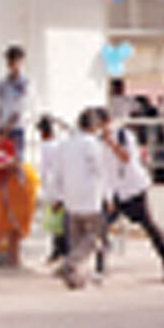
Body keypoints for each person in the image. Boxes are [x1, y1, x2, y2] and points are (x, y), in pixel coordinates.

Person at [95, 108, 164, 283]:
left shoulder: (124, 136)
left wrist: (112, 144)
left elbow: (127, 158)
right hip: (115, 192)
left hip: (134, 188)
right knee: (101, 228)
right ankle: (99, 269)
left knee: (148, 225)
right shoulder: (98, 142)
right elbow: (104, 170)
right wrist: (106, 195)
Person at [49, 109, 109, 290]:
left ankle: (76, 279)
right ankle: (70, 263)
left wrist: (57, 197)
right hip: (90, 198)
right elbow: (101, 172)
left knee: (76, 240)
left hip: (70, 199)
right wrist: (107, 196)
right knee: (95, 238)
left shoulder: (64, 145)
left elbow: (57, 173)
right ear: (93, 126)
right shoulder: (92, 145)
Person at [0, 143, 40, 268]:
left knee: (12, 228)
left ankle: (13, 260)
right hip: (15, 193)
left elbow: (13, 163)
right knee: (9, 229)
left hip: (20, 193)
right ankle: (12, 259)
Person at [36, 115, 68, 263]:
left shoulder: (46, 147)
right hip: (58, 187)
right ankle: (58, 250)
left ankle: (59, 251)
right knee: (57, 223)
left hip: (53, 188)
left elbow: (45, 170)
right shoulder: (59, 145)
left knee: (57, 223)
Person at [0, 45, 30, 163]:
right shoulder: (2, 83)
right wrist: (0, 128)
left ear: (21, 62)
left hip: (17, 129)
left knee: (17, 163)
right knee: (3, 163)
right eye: (10, 60)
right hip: (3, 129)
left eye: (15, 60)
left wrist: (7, 127)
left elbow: (20, 108)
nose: (12, 64)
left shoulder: (25, 83)